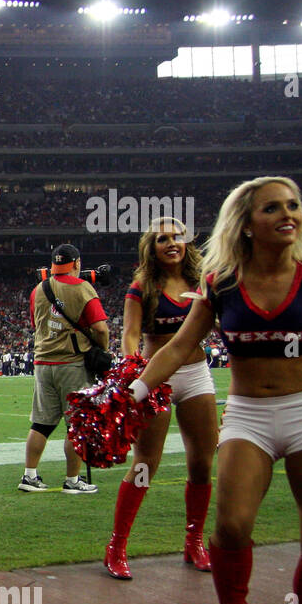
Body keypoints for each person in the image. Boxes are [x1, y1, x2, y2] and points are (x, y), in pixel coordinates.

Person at [133, 177, 302, 604]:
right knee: (231, 529)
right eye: (273, 208)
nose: (288, 214)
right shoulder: (221, 282)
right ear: (246, 224)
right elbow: (180, 347)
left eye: (294, 205)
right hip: (248, 414)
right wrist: (131, 393)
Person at [103, 218, 218, 579]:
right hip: (155, 378)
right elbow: (131, 333)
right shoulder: (142, 287)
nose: (172, 243)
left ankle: (194, 541)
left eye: (177, 238)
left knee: (202, 463)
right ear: (151, 248)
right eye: (162, 239)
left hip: (197, 374)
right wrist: (135, 371)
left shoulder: (204, 283)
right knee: (144, 464)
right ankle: (117, 547)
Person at [19, 244, 109, 494]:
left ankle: (29, 476)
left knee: (41, 424)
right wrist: (102, 349)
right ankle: (72, 479)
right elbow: (100, 328)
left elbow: (35, 323)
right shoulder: (82, 288)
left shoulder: (38, 289)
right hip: (71, 362)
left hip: (42, 361)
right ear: (77, 263)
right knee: (76, 424)